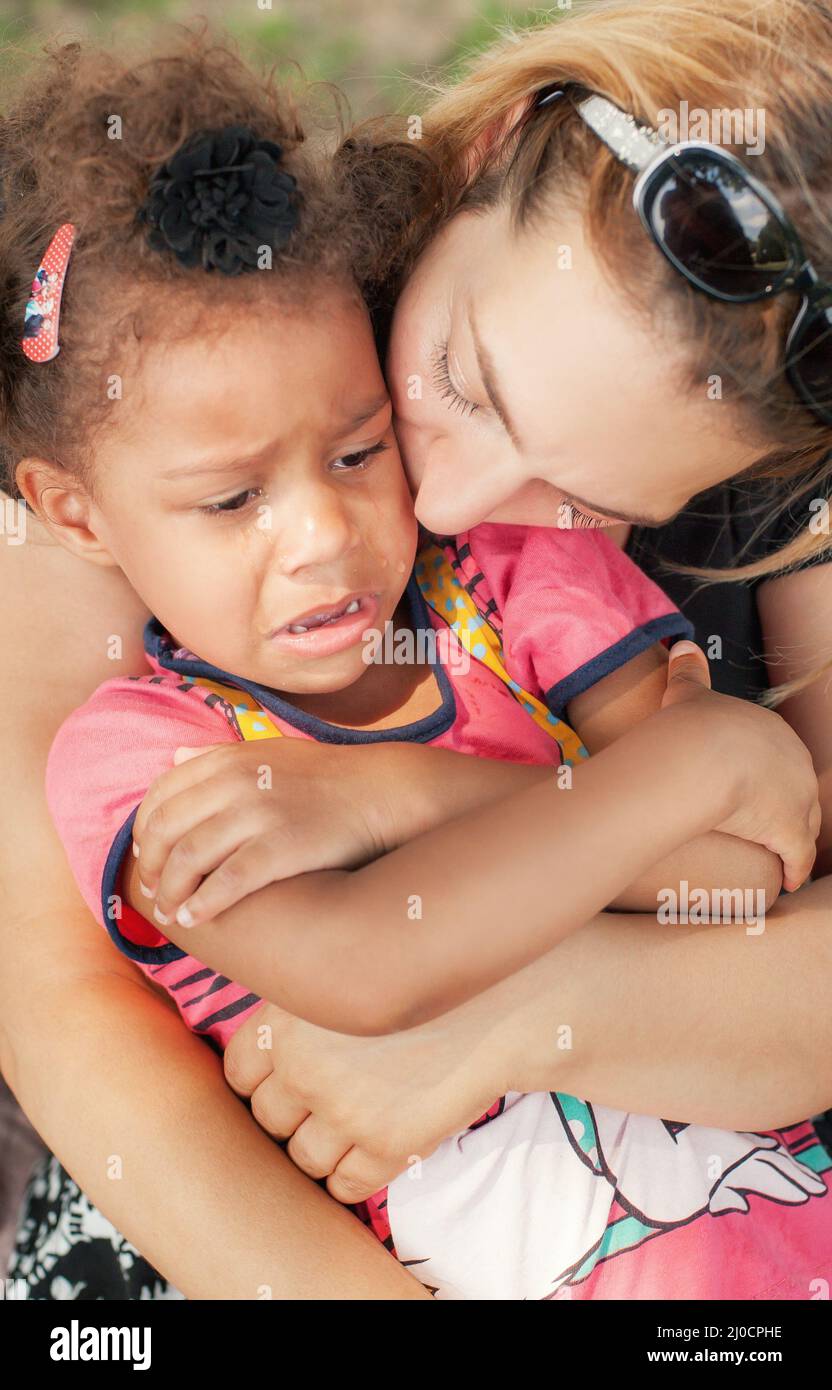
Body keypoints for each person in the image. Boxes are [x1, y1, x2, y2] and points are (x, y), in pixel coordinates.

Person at [4, 0, 832, 1297]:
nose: (439, 506)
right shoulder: (177, 349)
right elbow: (78, 999)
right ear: (495, 147)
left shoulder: (545, 572)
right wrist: (702, 759)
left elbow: (759, 896)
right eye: (459, 382)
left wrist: (412, 828)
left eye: (591, 496)